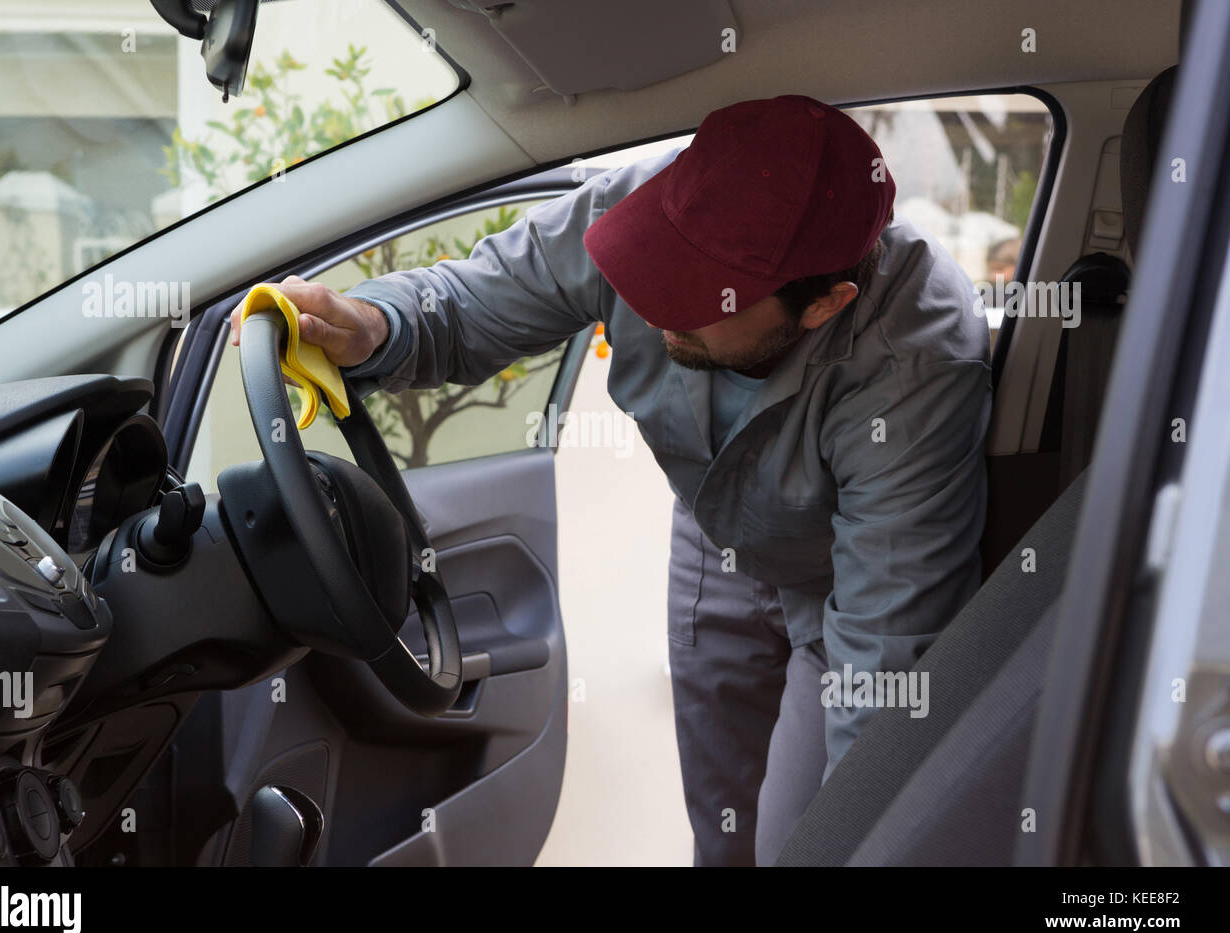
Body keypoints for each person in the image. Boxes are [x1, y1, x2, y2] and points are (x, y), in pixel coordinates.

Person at [230, 94, 991, 866]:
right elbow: (468, 305)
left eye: (698, 299)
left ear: (825, 304)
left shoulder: (918, 365)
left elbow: (883, 668)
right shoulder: (644, 208)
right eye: (658, 273)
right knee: (721, 831)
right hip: (714, 534)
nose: (656, 307)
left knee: (814, 837)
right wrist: (372, 324)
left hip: (842, 592)